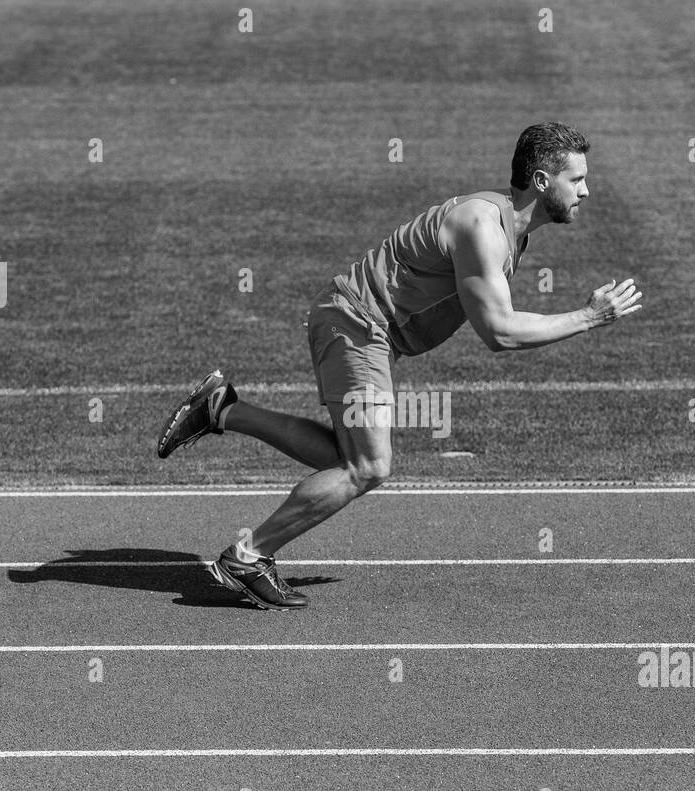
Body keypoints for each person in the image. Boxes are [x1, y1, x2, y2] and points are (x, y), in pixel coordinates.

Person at [157, 122, 646, 610]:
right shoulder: (483, 228)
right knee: (368, 466)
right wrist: (589, 316)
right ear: (542, 181)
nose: (586, 190)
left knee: (345, 457)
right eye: (576, 179)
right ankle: (247, 556)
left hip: (364, 329)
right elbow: (499, 332)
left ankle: (221, 409)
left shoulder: (508, 229)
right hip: (356, 325)